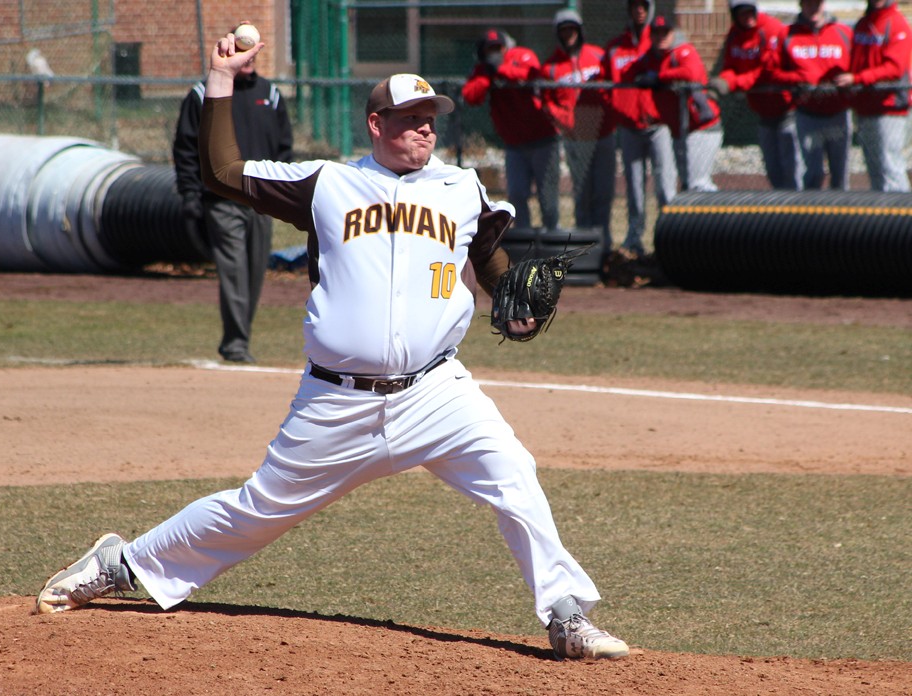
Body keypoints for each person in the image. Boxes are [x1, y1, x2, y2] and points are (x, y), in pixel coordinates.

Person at [36, 32, 630, 663]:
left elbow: (489, 262)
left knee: (513, 474)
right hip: (337, 401)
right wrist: (222, 80)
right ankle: (123, 563)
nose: (426, 128)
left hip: (436, 394)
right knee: (258, 511)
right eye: (411, 117)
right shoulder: (327, 183)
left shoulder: (463, 189)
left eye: (431, 117)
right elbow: (221, 173)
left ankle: (566, 615)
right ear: (376, 124)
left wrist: (516, 306)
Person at [172, 24, 293, 364]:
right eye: (241, 49)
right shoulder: (203, 93)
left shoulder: (271, 94)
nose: (248, 57)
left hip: (262, 200)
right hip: (222, 201)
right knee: (234, 271)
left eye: (251, 50)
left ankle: (238, 340)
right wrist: (191, 196)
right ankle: (236, 344)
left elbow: (284, 147)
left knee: (255, 273)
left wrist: (281, 192)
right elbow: (185, 148)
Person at [462, 28, 561, 232]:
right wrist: (486, 77)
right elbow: (471, 96)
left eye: (498, 48)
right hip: (514, 144)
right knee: (516, 193)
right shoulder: (484, 70)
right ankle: (525, 238)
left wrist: (500, 70)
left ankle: (552, 236)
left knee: (548, 196)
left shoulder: (521, 55)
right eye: (490, 49)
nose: (495, 53)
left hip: (543, 140)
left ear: (505, 47)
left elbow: (530, 73)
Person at [603, 0, 678, 259]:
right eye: (635, 5)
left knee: (665, 186)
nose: (640, 10)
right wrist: (619, 109)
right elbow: (604, 83)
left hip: (658, 126)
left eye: (644, 5)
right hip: (629, 127)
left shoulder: (658, 40)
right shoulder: (616, 47)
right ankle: (635, 238)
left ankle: (670, 238)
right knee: (634, 188)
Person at [542, 9, 617, 250]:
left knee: (604, 191)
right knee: (583, 192)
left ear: (580, 30)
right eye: (564, 30)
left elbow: (611, 87)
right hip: (576, 138)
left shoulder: (597, 56)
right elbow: (548, 102)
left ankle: (604, 243)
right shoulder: (551, 67)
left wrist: (608, 117)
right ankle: (585, 245)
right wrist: (567, 123)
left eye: (572, 29)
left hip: (603, 133)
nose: (569, 34)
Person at [711, 0, 802, 190]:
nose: (748, 17)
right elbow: (731, 65)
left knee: (793, 170)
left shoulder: (771, 29)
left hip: (786, 110)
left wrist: (733, 82)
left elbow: (766, 72)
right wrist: (724, 79)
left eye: (750, 11)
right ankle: (782, 207)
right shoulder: (735, 33)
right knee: (773, 170)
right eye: (742, 12)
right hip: (762, 112)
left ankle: (800, 207)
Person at [631, 16, 723, 193]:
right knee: (688, 184)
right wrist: (640, 77)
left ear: (673, 33)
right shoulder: (651, 58)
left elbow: (690, 72)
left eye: (665, 32)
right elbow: (633, 71)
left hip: (702, 127)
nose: (661, 37)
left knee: (699, 184)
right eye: (656, 33)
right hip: (679, 130)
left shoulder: (683, 50)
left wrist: (659, 77)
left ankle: (721, 211)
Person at [767, 0, 853, 190]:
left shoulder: (843, 32)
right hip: (808, 114)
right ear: (801, 5)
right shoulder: (788, 34)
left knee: (840, 174)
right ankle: (812, 209)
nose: (813, 8)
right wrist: (798, 78)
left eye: (816, 4)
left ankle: (842, 209)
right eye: (808, 3)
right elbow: (773, 72)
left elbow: (857, 67)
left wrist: (850, 79)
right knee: (813, 173)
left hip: (838, 113)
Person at [833, 0, 912, 192]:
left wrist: (857, 78)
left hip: (890, 107)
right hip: (865, 106)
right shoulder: (864, 23)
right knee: (875, 167)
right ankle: (881, 210)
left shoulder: (896, 23)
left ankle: (900, 210)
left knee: (890, 166)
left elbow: (894, 68)